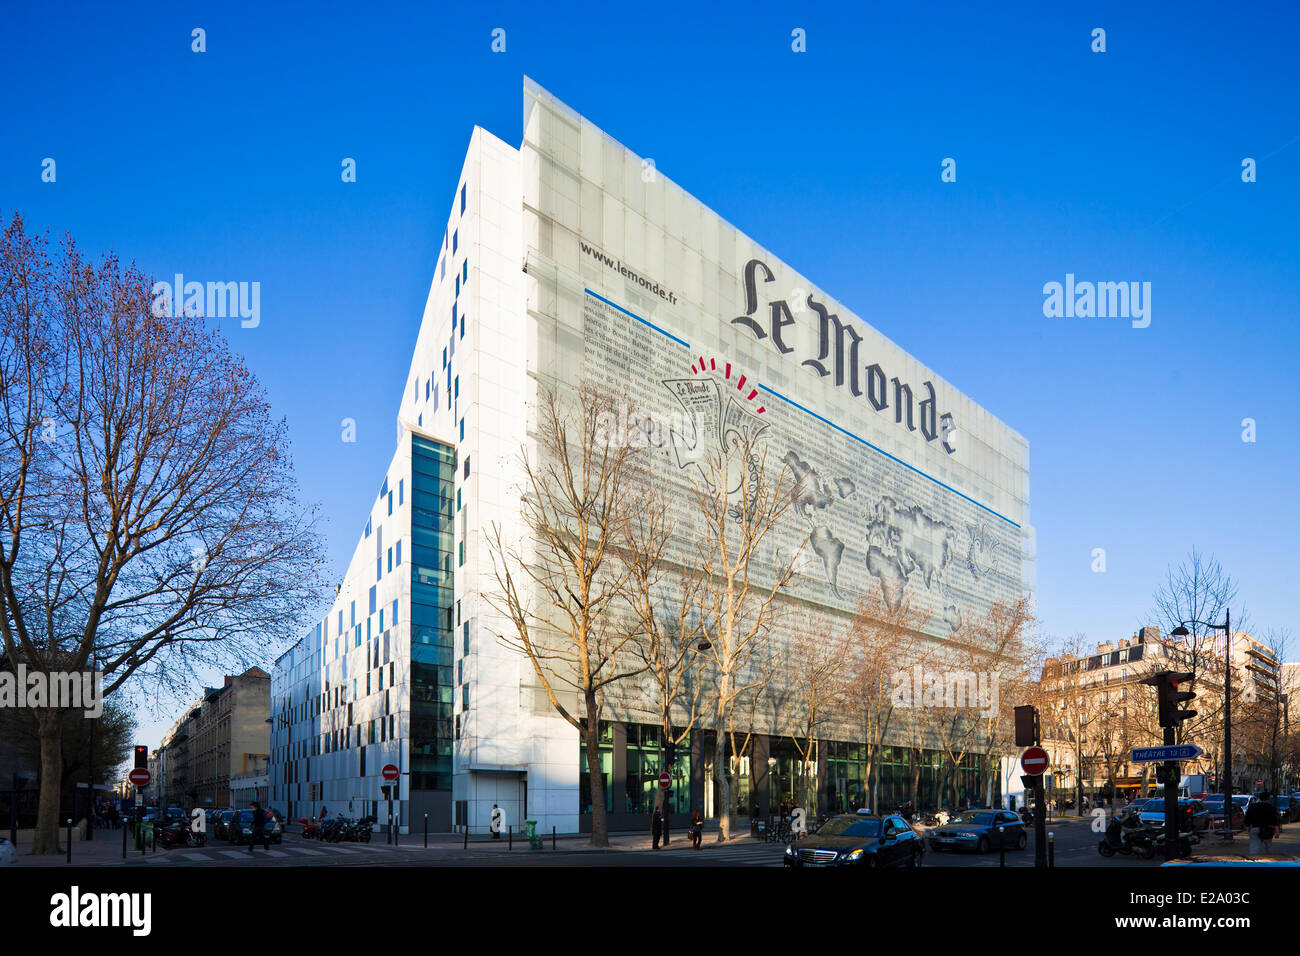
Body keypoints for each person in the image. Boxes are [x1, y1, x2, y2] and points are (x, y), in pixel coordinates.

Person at [1245, 791, 1281, 856]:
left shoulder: (1253, 807)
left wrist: (1248, 827)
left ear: (1260, 798)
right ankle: (1268, 861)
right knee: (1268, 848)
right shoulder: (1271, 808)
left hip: (1255, 828)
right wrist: (1277, 832)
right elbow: (1275, 821)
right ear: (1268, 799)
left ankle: (1254, 862)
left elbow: (1247, 819)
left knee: (1254, 848)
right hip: (1267, 830)